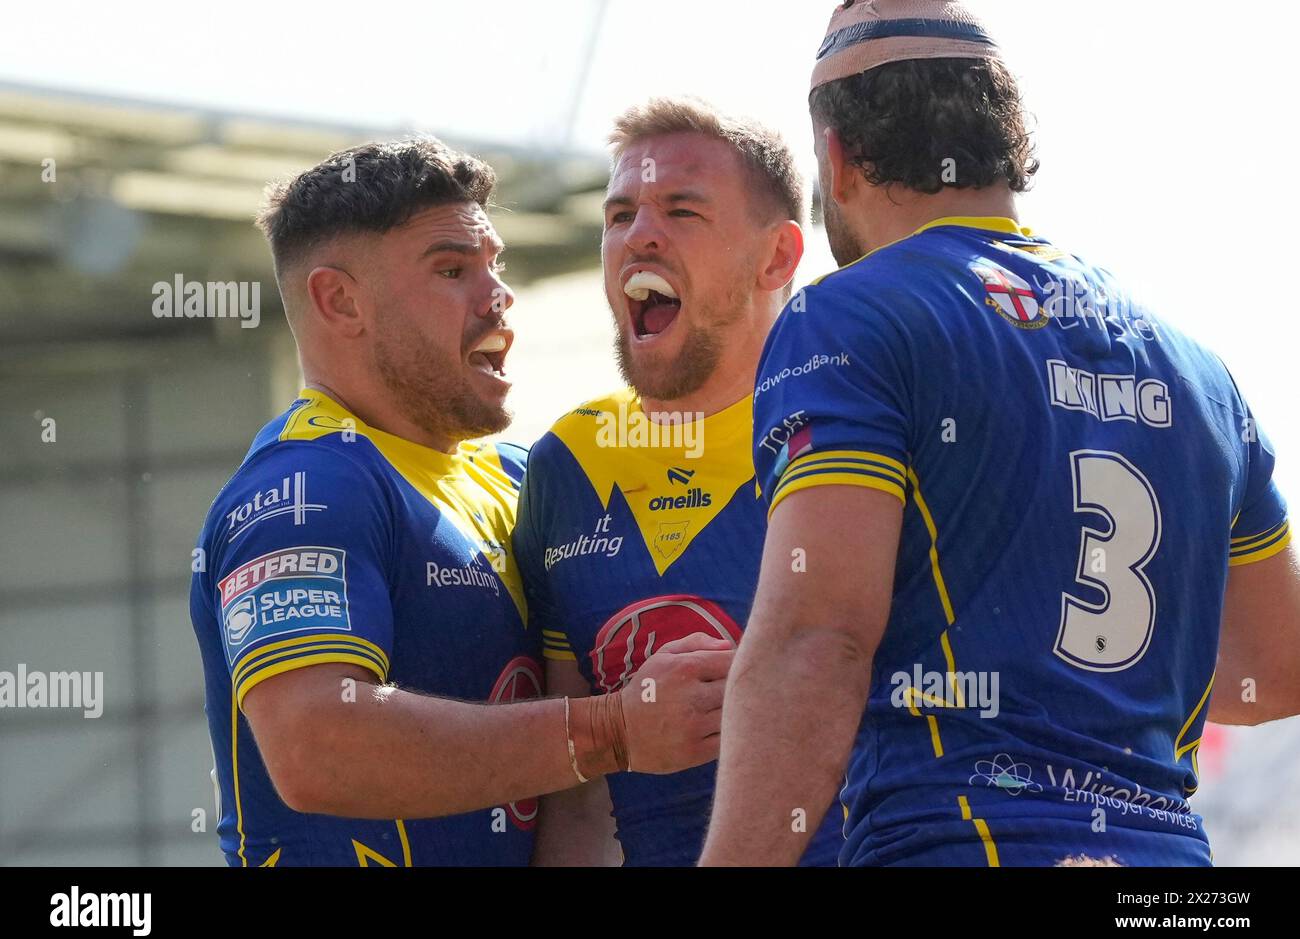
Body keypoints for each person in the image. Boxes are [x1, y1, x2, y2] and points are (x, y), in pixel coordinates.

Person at [702, 0, 1299, 866]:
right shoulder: (1199, 367)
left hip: (964, 840)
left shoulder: (851, 315)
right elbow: (1277, 667)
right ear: (1009, 140)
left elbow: (818, 636)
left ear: (835, 158)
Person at [189, 138, 733, 867]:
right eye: (451, 269)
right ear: (339, 300)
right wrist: (614, 731)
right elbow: (317, 745)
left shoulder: (527, 478)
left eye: (494, 264)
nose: (497, 295)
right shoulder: (304, 492)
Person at [515, 98, 843, 865]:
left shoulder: (849, 427)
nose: (640, 236)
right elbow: (579, 798)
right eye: (620, 214)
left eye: (681, 211)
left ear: (778, 257)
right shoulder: (567, 463)